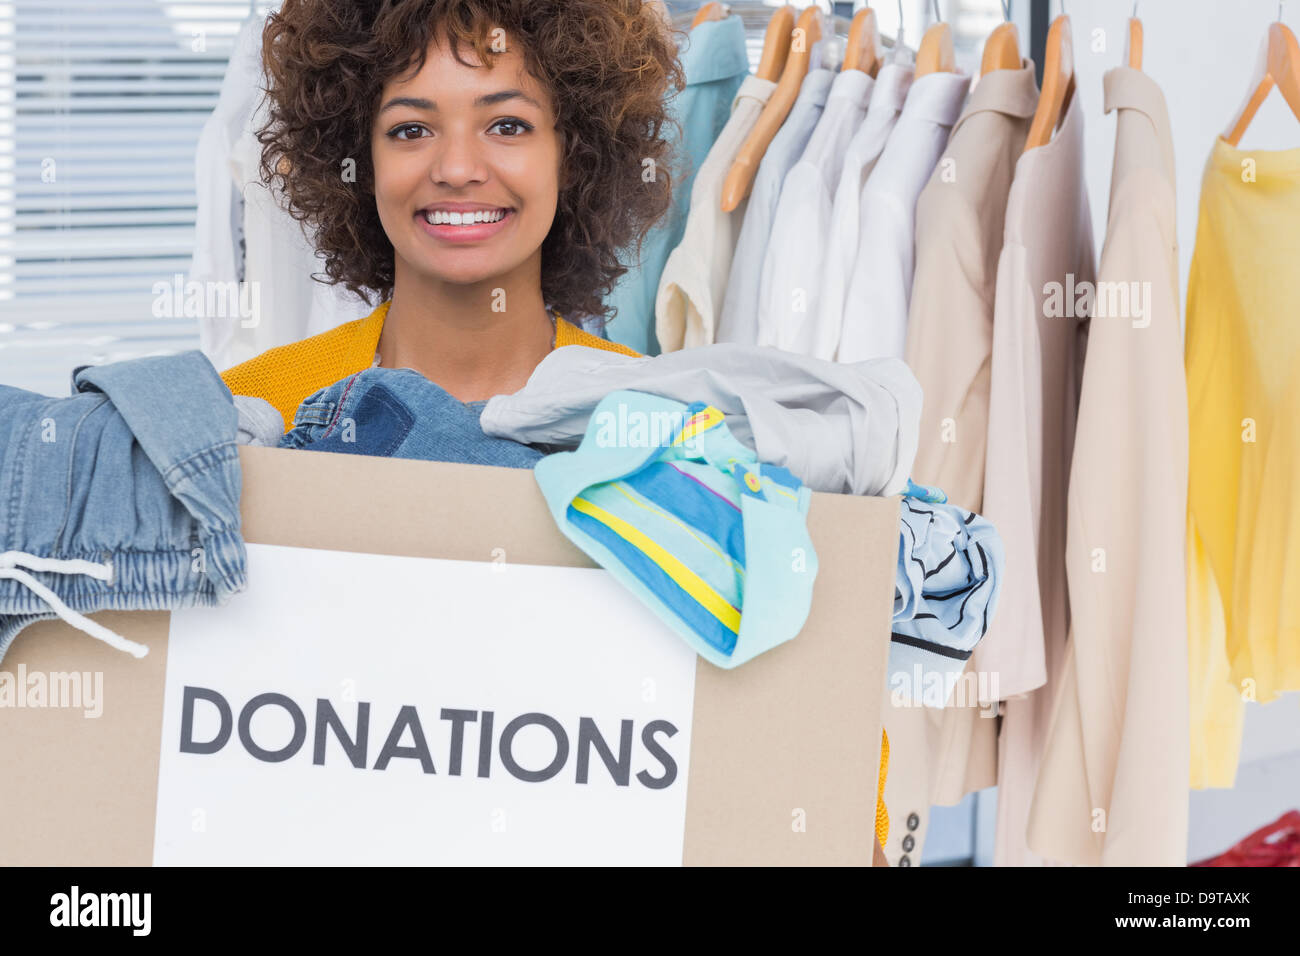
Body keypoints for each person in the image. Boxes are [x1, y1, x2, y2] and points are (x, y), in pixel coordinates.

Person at [221, 0, 682, 431]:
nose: (458, 169)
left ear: (575, 158)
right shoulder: (248, 412)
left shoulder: (655, 421)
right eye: (411, 130)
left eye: (507, 126)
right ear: (360, 162)